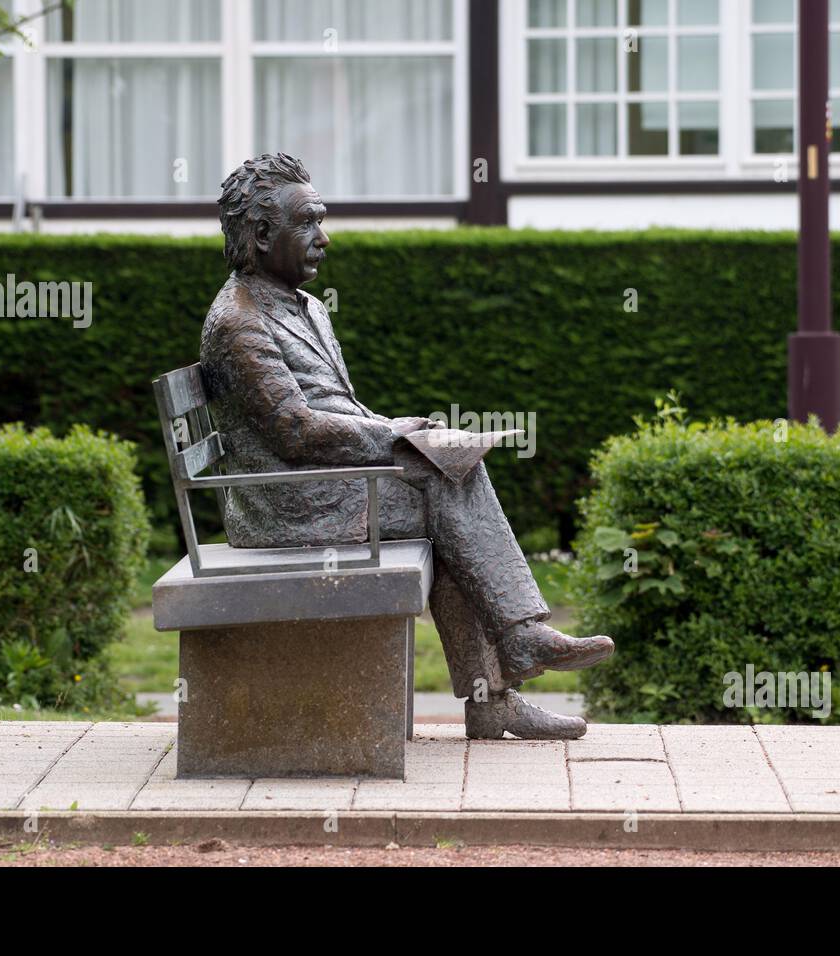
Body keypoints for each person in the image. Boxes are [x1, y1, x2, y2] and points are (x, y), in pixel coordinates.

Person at [199, 153, 614, 739]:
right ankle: (512, 654)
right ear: (263, 235)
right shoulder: (237, 321)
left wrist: (402, 430)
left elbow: (336, 408)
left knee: (452, 475)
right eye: (308, 224)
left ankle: (504, 675)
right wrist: (397, 436)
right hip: (288, 504)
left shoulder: (307, 306)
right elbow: (295, 430)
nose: (325, 238)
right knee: (448, 483)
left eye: (323, 220)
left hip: (326, 484)